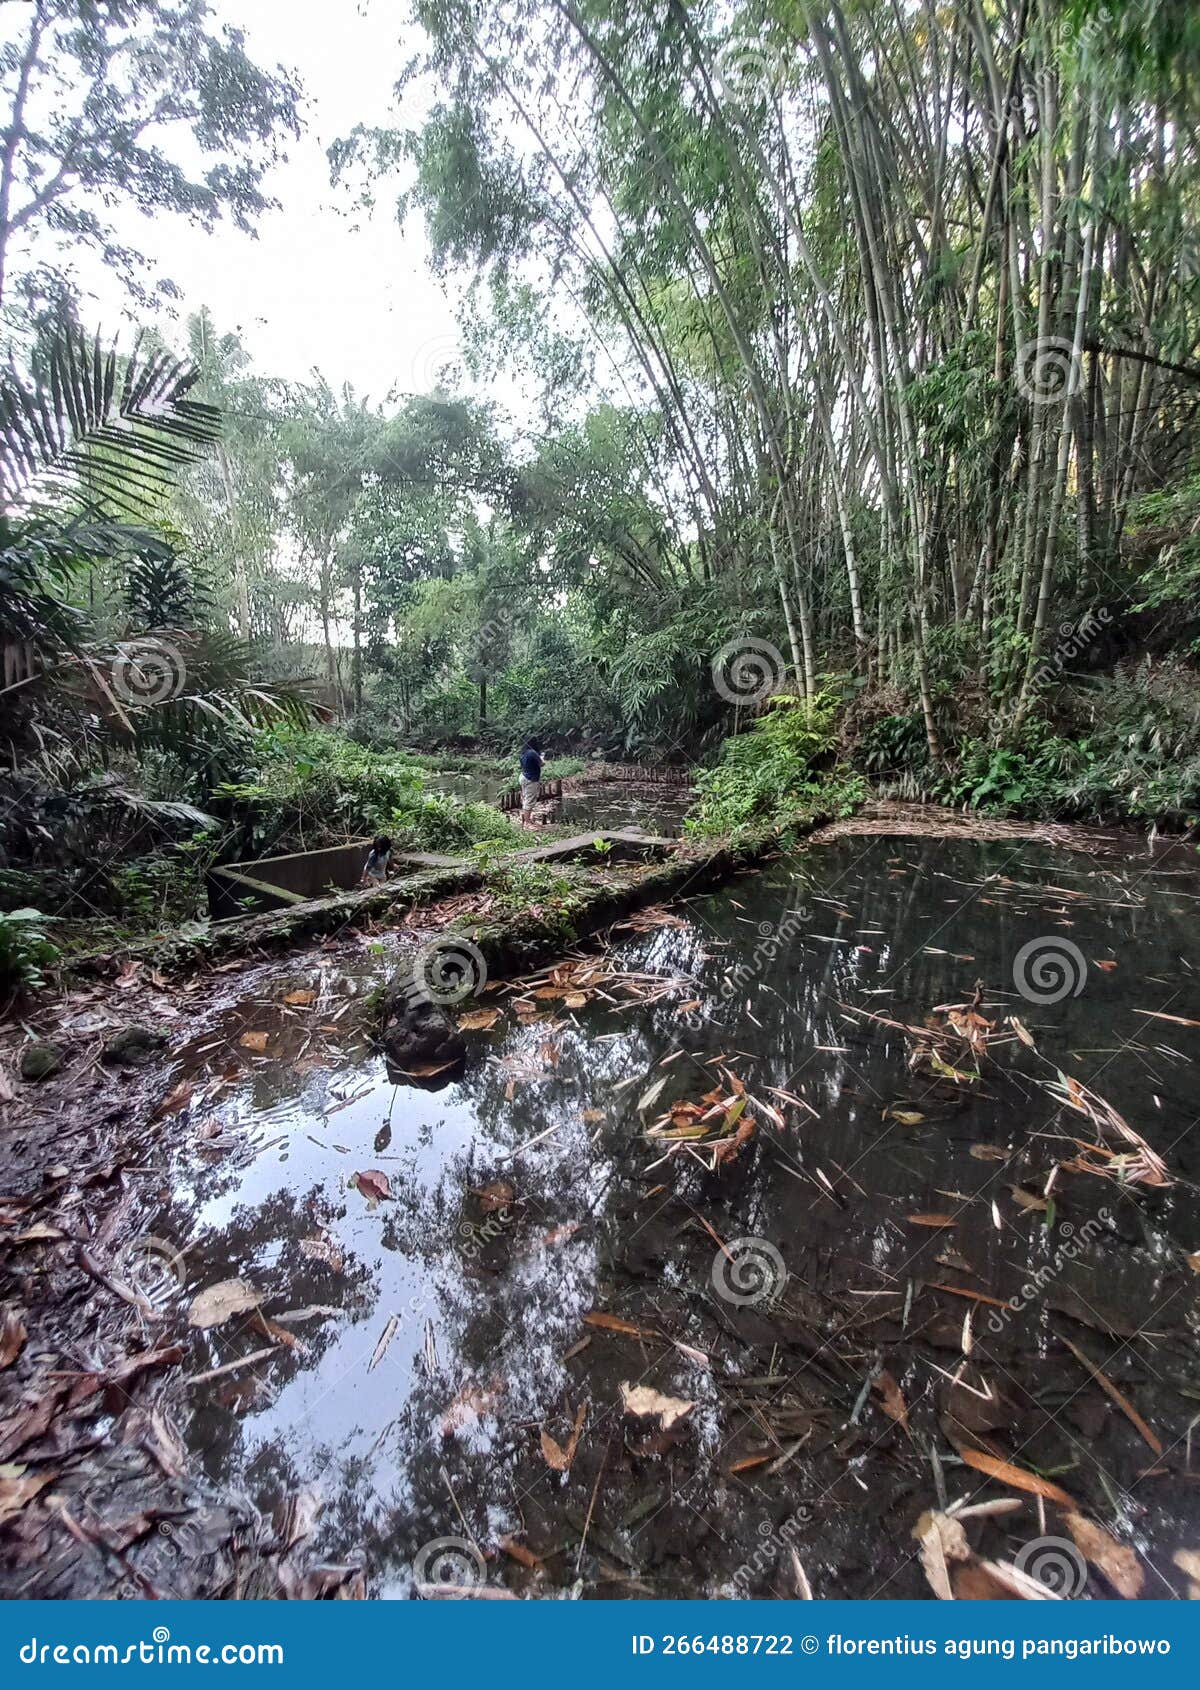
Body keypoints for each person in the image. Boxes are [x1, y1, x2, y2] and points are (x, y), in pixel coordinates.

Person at [519, 738, 543, 828]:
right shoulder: (532, 752)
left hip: (523, 776)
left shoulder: (523, 753)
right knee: (529, 801)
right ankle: (527, 823)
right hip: (531, 779)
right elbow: (541, 763)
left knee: (526, 798)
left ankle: (527, 820)